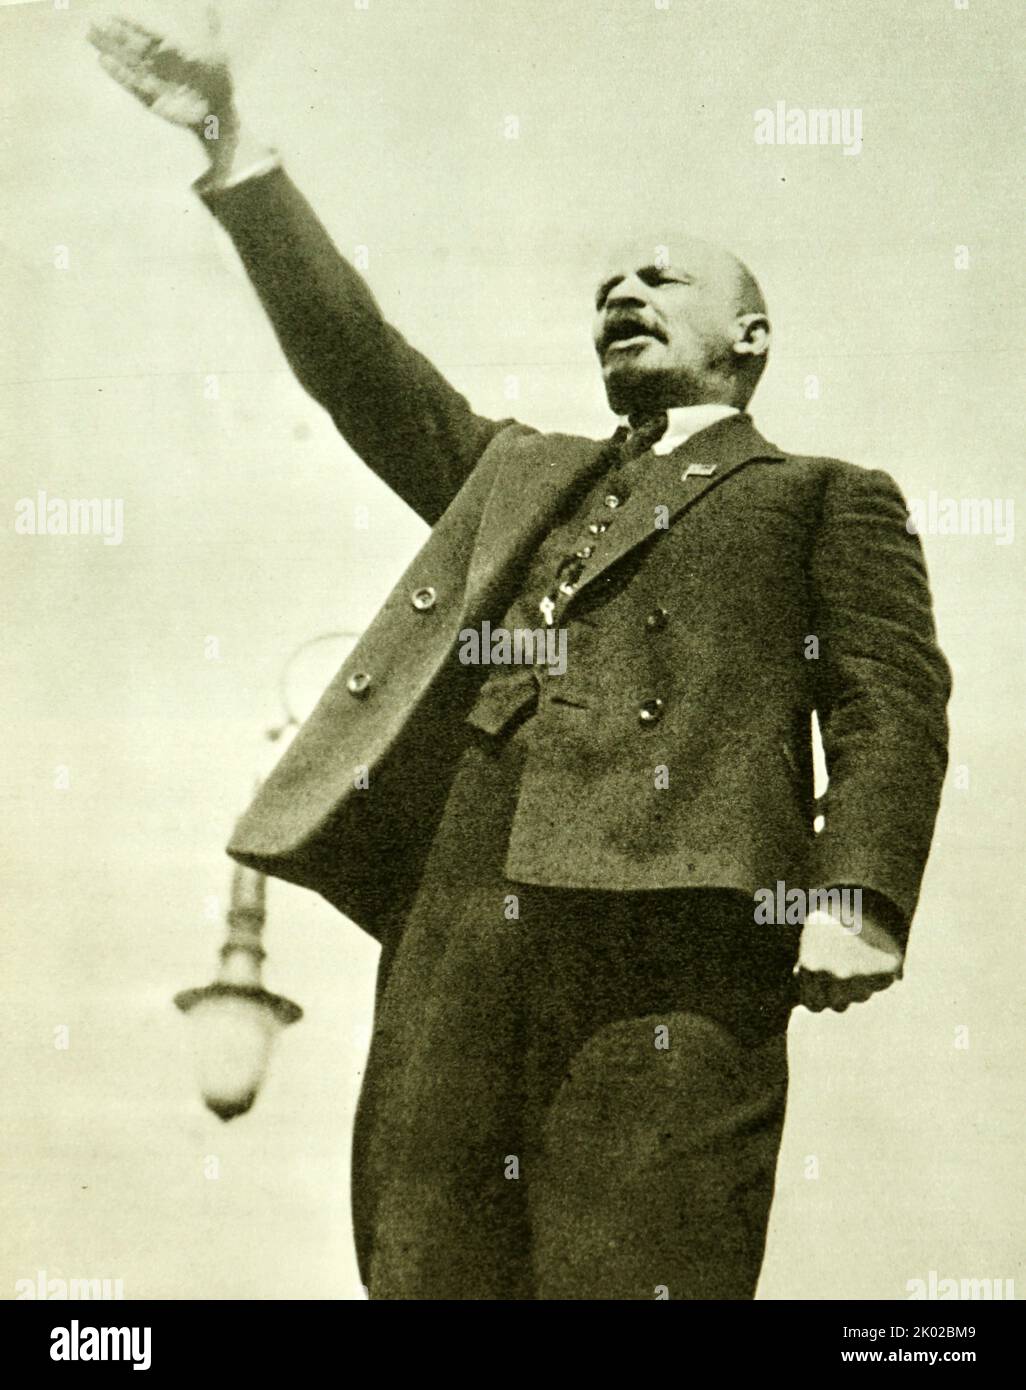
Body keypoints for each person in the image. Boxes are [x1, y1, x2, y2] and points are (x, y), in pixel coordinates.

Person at [90, 9, 952, 1300]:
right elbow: (359, 368)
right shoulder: (517, 474)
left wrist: (855, 890)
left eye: (661, 278)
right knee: (424, 1266)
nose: (622, 294)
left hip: (676, 928)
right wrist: (231, 139)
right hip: (459, 917)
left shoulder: (823, 494)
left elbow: (891, 701)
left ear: (751, 337)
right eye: (606, 284)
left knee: (642, 1263)